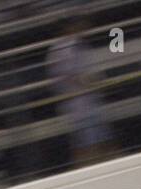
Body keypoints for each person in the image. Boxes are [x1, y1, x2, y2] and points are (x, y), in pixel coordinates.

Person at [47, 15, 117, 167]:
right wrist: (92, 82)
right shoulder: (61, 48)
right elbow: (70, 76)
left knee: (104, 139)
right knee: (86, 144)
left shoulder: (80, 45)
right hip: (77, 104)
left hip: (91, 100)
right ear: (69, 27)